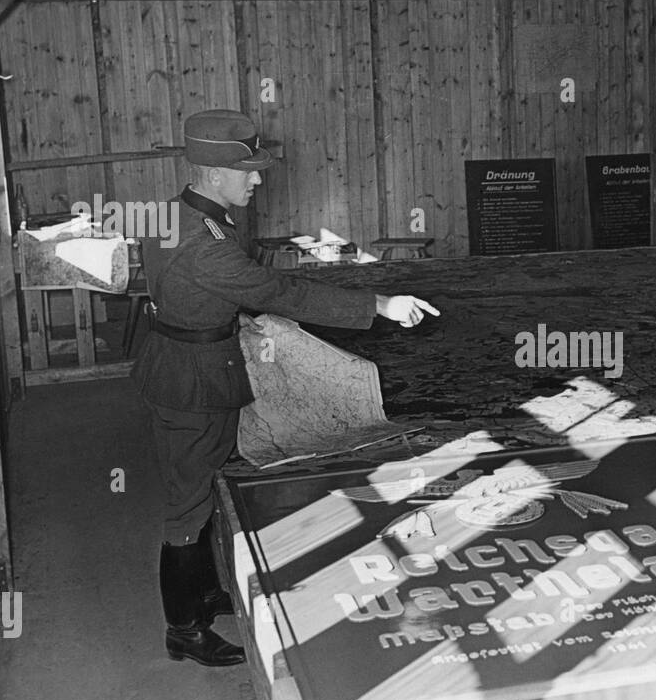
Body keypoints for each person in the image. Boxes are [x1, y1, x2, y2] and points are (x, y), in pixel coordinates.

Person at [132, 109, 439, 667]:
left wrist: (220, 310)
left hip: (191, 363)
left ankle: (201, 593)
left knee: (203, 481)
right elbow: (280, 293)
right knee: (186, 507)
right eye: (247, 171)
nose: (257, 179)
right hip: (192, 379)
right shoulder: (207, 243)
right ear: (213, 171)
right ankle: (184, 630)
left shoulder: (175, 215)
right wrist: (380, 305)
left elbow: (210, 288)